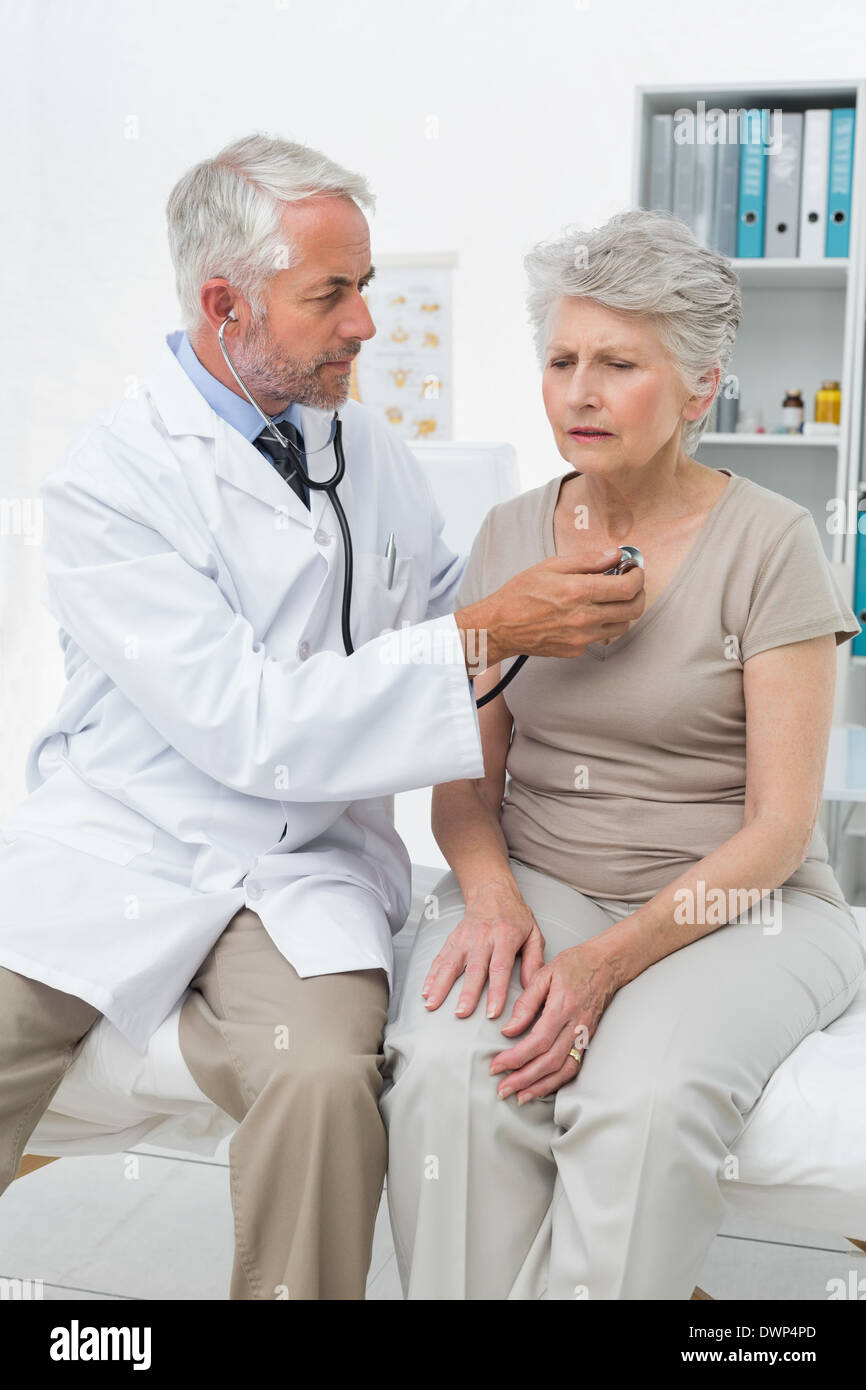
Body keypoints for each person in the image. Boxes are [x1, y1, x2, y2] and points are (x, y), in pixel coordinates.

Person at [0, 133, 646, 1301]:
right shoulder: (111, 479)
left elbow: (460, 618)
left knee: (320, 1081)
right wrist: (487, 629)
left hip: (300, 873)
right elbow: (247, 721)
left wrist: (590, 589)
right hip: (123, 848)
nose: (364, 325)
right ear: (223, 304)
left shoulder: (367, 452)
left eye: (367, 289)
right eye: (330, 295)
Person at [380, 207, 866, 1301]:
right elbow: (461, 777)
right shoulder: (507, 534)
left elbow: (779, 827)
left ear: (699, 387)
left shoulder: (771, 542)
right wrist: (494, 901)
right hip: (544, 880)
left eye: (616, 363)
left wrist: (601, 967)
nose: (578, 392)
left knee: (638, 1100)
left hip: (743, 903)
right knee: (453, 1072)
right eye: (560, 360)